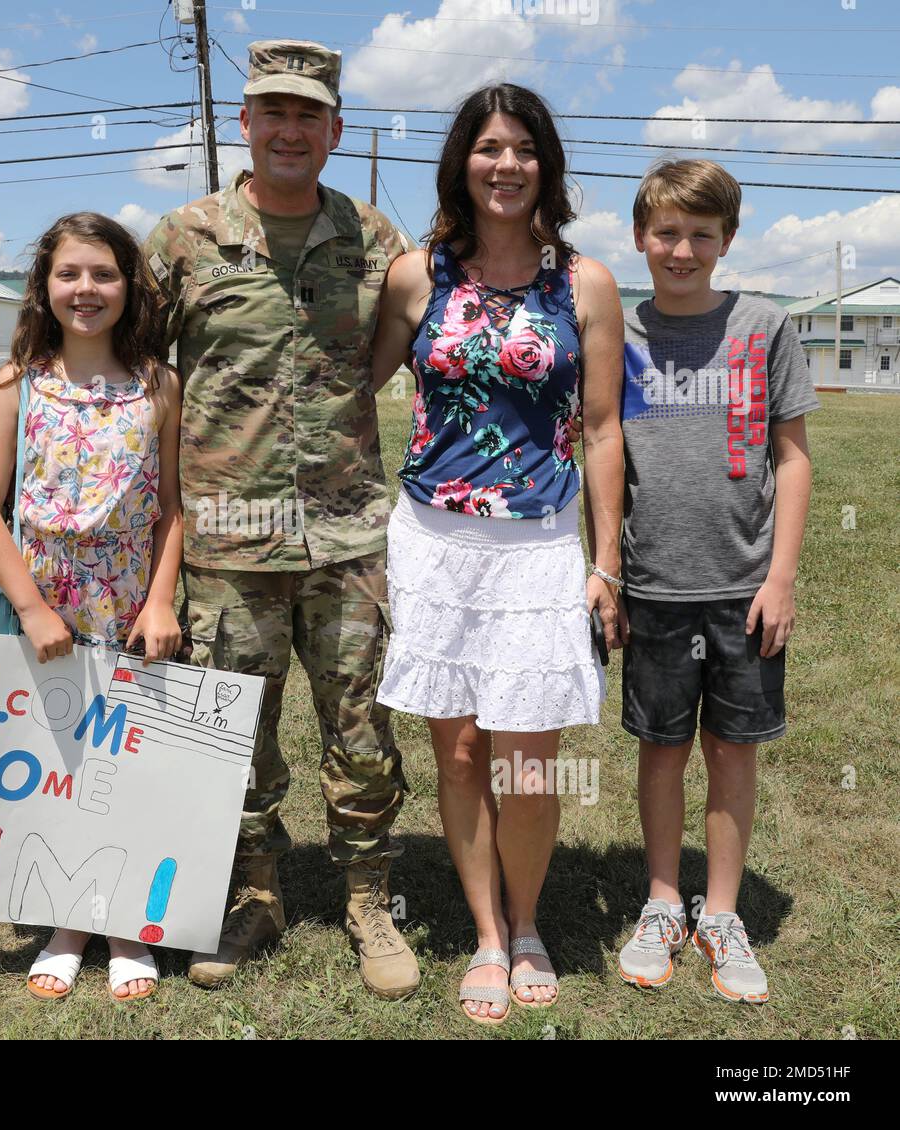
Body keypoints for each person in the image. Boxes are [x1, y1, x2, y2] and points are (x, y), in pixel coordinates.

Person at [143, 40, 421, 999]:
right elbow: (134, 369)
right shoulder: (182, 239)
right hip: (227, 538)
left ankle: (369, 897)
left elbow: (384, 355)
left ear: (335, 130)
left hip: (346, 535)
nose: (290, 130)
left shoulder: (376, 243)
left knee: (361, 727)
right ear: (247, 126)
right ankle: (253, 891)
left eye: (309, 116)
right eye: (274, 113)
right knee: (231, 727)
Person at [370, 83, 625, 1024]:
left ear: (546, 165)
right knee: (463, 748)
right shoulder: (416, 276)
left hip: (542, 544)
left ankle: (529, 924)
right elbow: (355, 391)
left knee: (529, 755)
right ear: (461, 164)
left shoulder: (585, 283)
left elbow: (601, 429)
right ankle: (485, 933)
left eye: (523, 148)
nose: (506, 164)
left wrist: (606, 562)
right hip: (434, 540)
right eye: (488, 148)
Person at [0, 212, 184, 1002]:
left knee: (121, 766)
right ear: (44, 286)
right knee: (58, 763)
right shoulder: (17, 383)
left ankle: (124, 923)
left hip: (128, 613)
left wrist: (160, 600)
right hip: (46, 611)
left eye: (103, 275)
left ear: (129, 287)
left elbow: (172, 506)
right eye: (69, 274)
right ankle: (66, 923)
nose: (86, 290)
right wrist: (30, 608)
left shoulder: (160, 384)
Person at [615, 159, 817, 1004]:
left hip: (743, 587)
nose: (683, 249)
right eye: (667, 232)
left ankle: (722, 912)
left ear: (727, 240)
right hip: (653, 585)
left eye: (702, 234)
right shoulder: (618, 335)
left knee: (732, 749)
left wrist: (781, 577)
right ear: (640, 238)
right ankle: (664, 900)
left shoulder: (764, 326)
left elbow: (794, 457)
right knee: (662, 749)